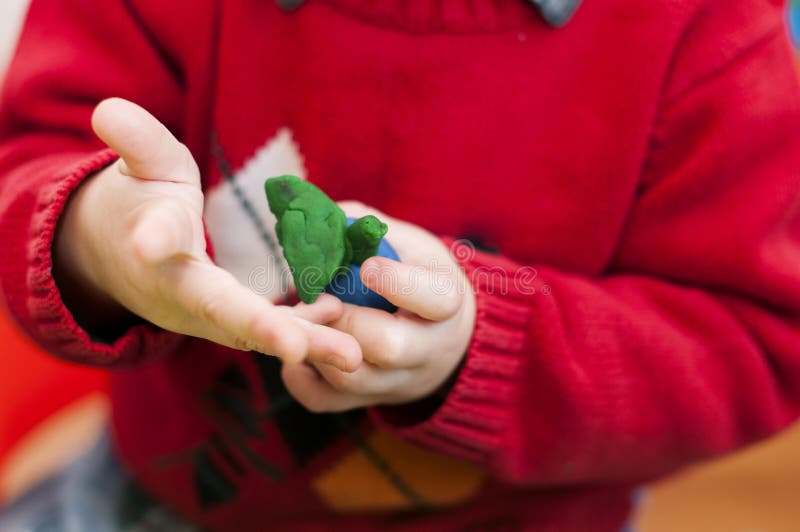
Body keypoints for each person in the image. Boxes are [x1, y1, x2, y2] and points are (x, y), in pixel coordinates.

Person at [1, 0, 799, 530]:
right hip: (165, 501)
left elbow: (756, 342)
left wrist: (481, 347)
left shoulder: (707, 32)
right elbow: (31, 164)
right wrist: (94, 232)